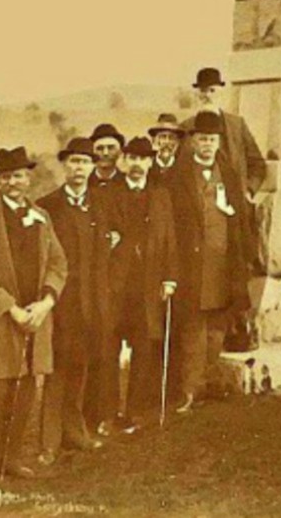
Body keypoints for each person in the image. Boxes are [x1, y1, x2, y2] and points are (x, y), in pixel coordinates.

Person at [0, 147, 68, 484]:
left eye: (19, 176)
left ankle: (11, 459)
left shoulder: (42, 217)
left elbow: (58, 264)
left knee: (25, 389)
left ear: (28, 178)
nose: (13, 183)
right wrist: (11, 309)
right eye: (7, 177)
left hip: (35, 318)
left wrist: (46, 302)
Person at [171, 112, 255, 411]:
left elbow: (240, 220)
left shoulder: (228, 174)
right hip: (193, 264)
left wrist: (243, 258)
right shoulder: (179, 176)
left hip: (223, 263)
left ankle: (208, 385)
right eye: (202, 139)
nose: (207, 145)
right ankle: (189, 390)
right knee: (193, 329)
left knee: (217, 327)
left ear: (219, 142)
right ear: (193, 142)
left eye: (212, 139)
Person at [36, 138, 111, 463]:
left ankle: (75, 432)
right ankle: (49, 442)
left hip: (91, 303)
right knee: (57, 370)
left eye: (85, 162)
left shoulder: (100, 205)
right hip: (60, 302)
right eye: (74, 162)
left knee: (80, 367)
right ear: (64, 166)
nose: (79, 168)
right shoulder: (47, 207)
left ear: (93, 167)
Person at [101, 136, 179, 431]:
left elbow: (169, 239)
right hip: (116, 284)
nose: (137, 164)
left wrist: (170, 278)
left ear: (150, 162)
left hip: (148, 284)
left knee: (144, 348)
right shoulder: (109, 194)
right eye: (132, 158)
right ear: (124, 161)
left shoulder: (161, 196)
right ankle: (108, 412)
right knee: (109, 349)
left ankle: (133, 412)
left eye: (143, 159)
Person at [182, 67, 268, 195]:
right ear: (197, 94)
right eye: (203, 90)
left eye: (212, 90)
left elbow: (258, 165)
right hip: (199, 200)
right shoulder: (185, 127)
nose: (207, 95)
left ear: (221, 93)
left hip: (235, 198)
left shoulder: (237, 125)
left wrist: (249, 191)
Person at [148, 114, 187, 185]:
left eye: (171, 138)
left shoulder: (185, 169)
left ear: (178, 143)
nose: (167, 142)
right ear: (154, 140)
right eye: (163, 137)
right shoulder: (147, 167)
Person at [89, 124, 127, 190]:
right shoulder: (83, 182)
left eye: (111, 148)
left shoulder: (128, 183)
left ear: (120, 152)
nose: (105, 153)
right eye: (100, 148)